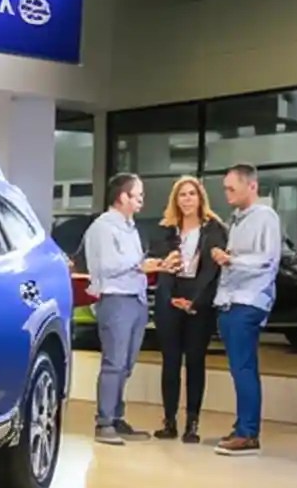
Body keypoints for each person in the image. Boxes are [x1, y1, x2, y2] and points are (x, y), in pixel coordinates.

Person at [83, 173, 171, 445]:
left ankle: (117, 417)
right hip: (115, 299)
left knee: (126, 365)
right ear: (123, 197)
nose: (142, 200)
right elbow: (108, 265)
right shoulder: (103, 227)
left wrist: (151, 265)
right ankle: (104, 421)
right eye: (138, 195)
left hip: (136, 298)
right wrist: (139, 264)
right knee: (114, 363)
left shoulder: (130, 227)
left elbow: (134, 262)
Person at [150, 177, 227, 443]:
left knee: (195, 361)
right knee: (170, 362)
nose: (186, 199)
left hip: (199, 303)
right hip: (169, 300)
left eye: (191, 194)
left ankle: (192, 423)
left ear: (200, 198)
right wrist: (172, 297)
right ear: (175, 199)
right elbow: (161, 267)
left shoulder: (215, 229)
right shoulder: (165, 230)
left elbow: (212, 272)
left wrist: (194, 301)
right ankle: (169, 421)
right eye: (182, 195)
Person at [212, 163, 282, 457]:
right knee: (238, 368)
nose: (227, 193)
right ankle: (243, 426)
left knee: (243, 368)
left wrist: (231, 261)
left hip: (249, 301)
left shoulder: (265, 217)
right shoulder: (238, 219)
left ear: (251, 186)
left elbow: (267, 261)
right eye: (225, 188)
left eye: (232, 188)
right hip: (230, 301)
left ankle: (248, 434)